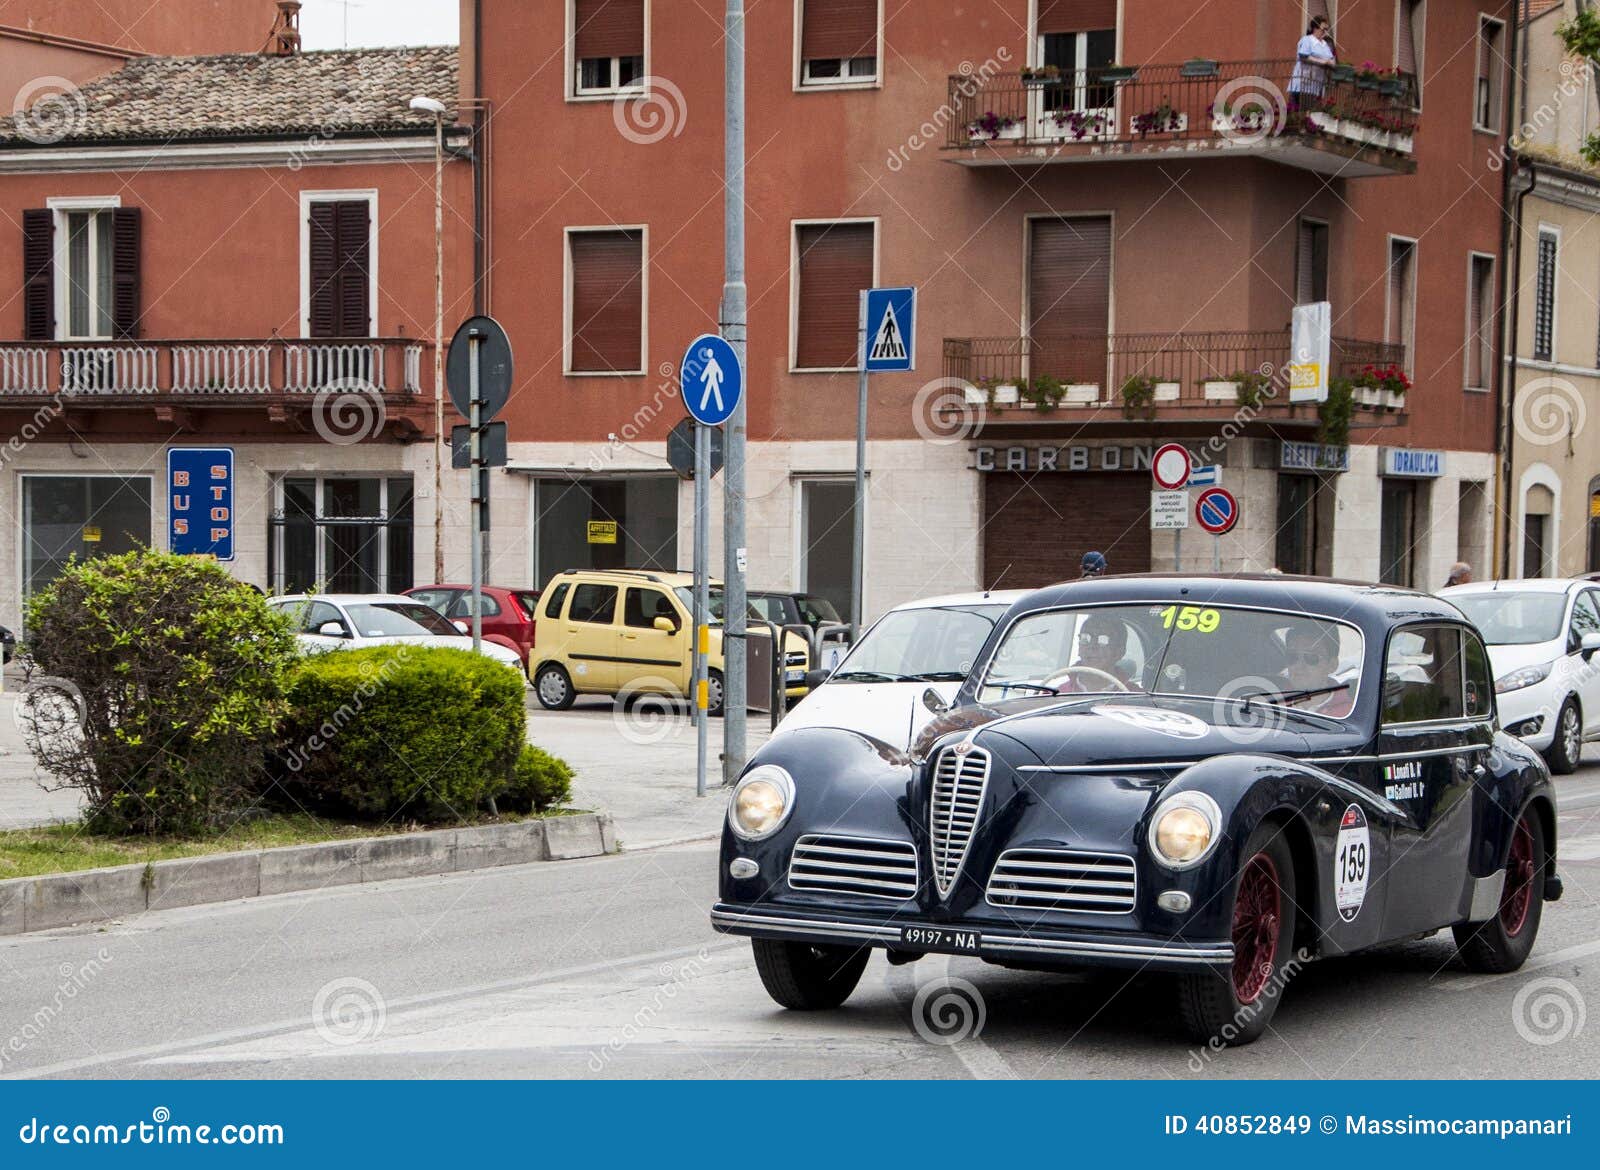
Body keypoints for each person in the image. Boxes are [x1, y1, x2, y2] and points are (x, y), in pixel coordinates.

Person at [1280, 622, 1352, 717]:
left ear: (1332, 665)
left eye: (1311, 657)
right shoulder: (1270, 703)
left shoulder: (1349, 715)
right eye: (1292, 656)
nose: (1299, 665)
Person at [1289, 14, 1337, 105]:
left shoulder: (1324, 44)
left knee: (1312, 111)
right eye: (1323, 29)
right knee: (1300, 110)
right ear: (1315, 28)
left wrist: (1331, 63)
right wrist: (1322, 62)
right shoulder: (1307, 40)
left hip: (1317, 85)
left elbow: (1332, 60)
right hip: (1303, 84)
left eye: (1326, 30)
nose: (1325, 32)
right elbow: (1303, 56)